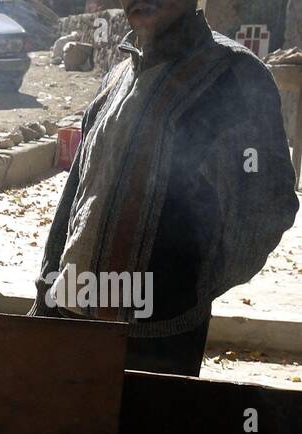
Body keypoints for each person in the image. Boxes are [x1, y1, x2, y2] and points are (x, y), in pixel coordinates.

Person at [29, 0, 298, 376]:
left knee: (150, 432)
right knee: (73, 430)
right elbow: (78, 188)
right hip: (74, 312)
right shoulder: (118, 74)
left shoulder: (235, 76)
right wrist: (49, 286)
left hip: (159, 336)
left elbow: (270, 205)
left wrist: (192, 289)